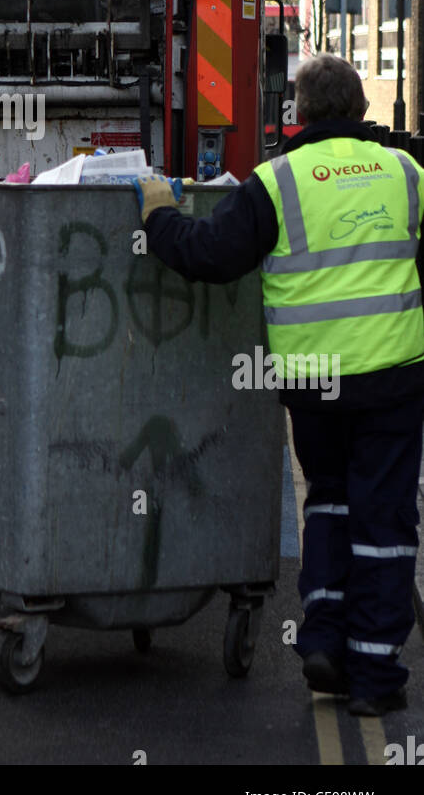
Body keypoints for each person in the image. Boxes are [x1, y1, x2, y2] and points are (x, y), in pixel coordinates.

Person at [138, 53, 424, 717]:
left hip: (314, 380)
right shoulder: (408, 174)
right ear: (361, 111)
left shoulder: (277, 182)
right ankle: (375, 676)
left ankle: (323, 641)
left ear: (298, 114)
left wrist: (157, 216)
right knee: (383, 517)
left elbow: (209, 256)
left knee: (326, 501)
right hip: (392, 377)